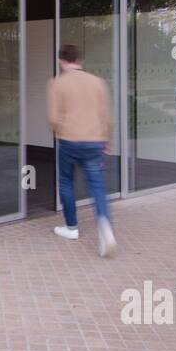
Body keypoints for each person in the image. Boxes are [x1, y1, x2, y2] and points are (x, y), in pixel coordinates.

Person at [47, 43, 116, 256]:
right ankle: (104, 225)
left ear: (61, 60)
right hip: (95, 141)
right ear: (79, 61)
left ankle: (71, 227)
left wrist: (59, 131)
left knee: (66, 182)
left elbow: (52, 117)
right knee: (97, 186)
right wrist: (106, 141)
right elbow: (107, 117)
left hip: (69, 141)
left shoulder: (57, 83)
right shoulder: (97, 82)